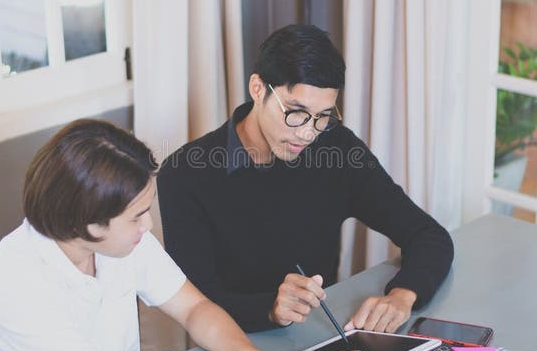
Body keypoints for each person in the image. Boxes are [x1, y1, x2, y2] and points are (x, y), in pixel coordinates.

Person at [0, 118, 360, 351]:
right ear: (86, 223)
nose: (148, 225)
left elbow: (193, 308)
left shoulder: (115, 242)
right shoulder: (19, 287)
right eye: (136, 216)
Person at [158, 24, 454, 334]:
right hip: (231, 345)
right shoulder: (184, 175)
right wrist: (270, 309)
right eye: (296, 111)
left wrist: (403, 295)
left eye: (323, 115)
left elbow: (428, 235)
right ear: (258, 89)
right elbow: (194, 303)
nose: (308, 132)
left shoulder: (337, 149)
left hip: (320, 334)